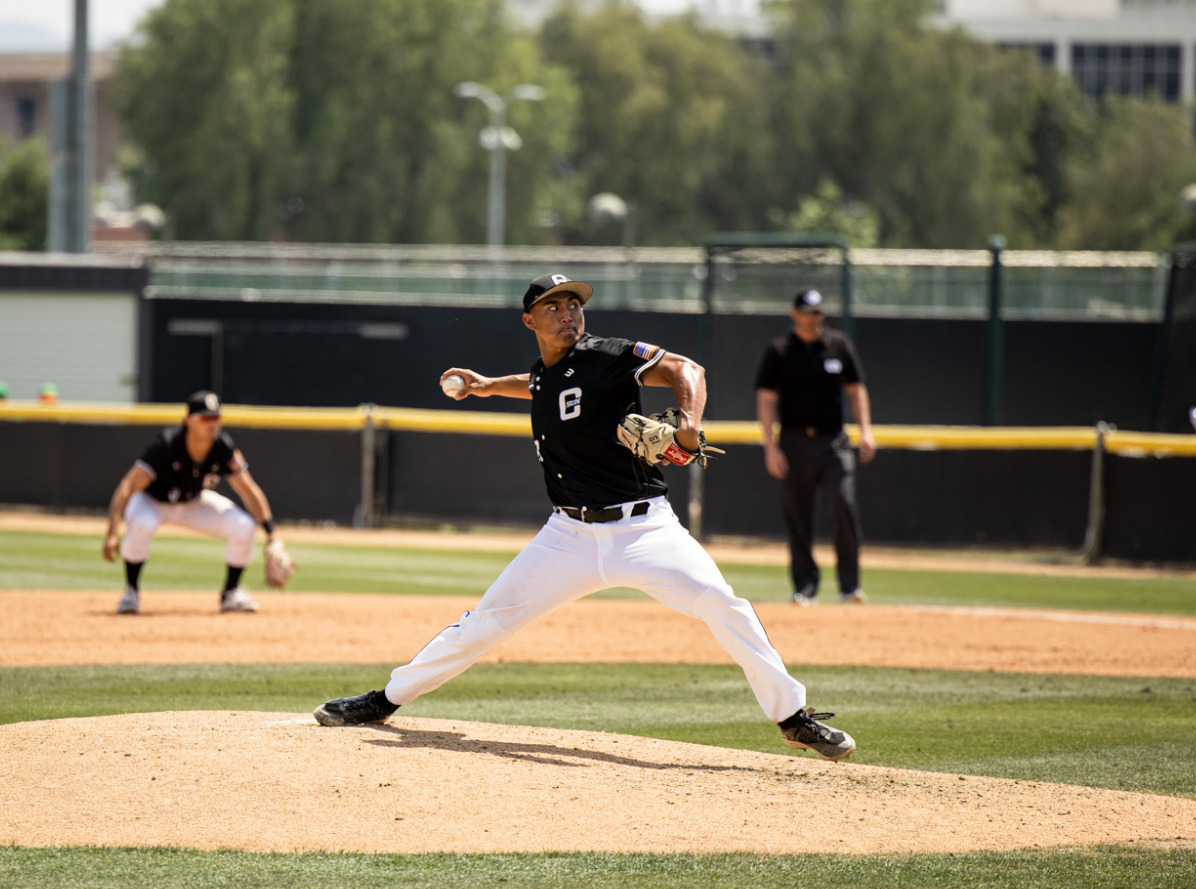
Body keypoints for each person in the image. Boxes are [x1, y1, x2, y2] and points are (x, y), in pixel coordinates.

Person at [311, 272, 856, 761]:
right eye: (553, 306)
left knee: (723, 605)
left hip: (644, 529)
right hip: (567, 535)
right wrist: (485, 385)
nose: (568, 313)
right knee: (486, 621)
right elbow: (539, 385)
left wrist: (688, 422)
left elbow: (686, 368)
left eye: (574, 304)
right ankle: (384, 700)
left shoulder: (607, 355)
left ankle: (793, 718)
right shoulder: (547, 373)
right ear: (530, 321)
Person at [102, 390, 280, 615]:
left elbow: (248, 489)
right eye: (206, 418)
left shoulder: (223, 447)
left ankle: (231, 594)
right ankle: (131, 592)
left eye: (216, 417)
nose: (212, 423)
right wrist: (111, 532)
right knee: (143, 523)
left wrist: (272, 535)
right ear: (189, 421)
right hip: (152, 501)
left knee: (243, 526)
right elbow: (127, 487)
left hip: (192, 502)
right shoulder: (166, 445)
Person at [755, 289, 875, 605]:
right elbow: (767, 400)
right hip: (793, 442)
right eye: (808, 312)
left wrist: (866, 431)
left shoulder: (838, 346)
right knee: (798, 516)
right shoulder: (779, 351)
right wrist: (770, 447)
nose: (813, 318)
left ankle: (849, 587)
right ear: (794, 313)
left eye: (818, 312)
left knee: (842, 504)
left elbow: (856, 390)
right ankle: (805, 588)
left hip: (833, 441)